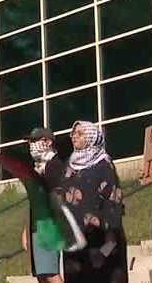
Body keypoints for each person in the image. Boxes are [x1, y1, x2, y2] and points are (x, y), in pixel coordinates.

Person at [58, 121, 127, 283]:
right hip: (74, 241)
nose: (74, 136)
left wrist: (107, 248)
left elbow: (113, 202)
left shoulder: (104, 165)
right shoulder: (69, 165)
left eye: (80, 133)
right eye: (73, 133)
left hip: (99, 239)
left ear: (91, 137)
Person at [21, 127, 64, 283]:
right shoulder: (37, 168)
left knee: (50, 273)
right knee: (41, 274)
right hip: (36, 226)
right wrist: (26, 230)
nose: (31, 145)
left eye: (34, 141)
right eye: (29, 142)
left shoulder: (55, 166)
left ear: (48, 142)